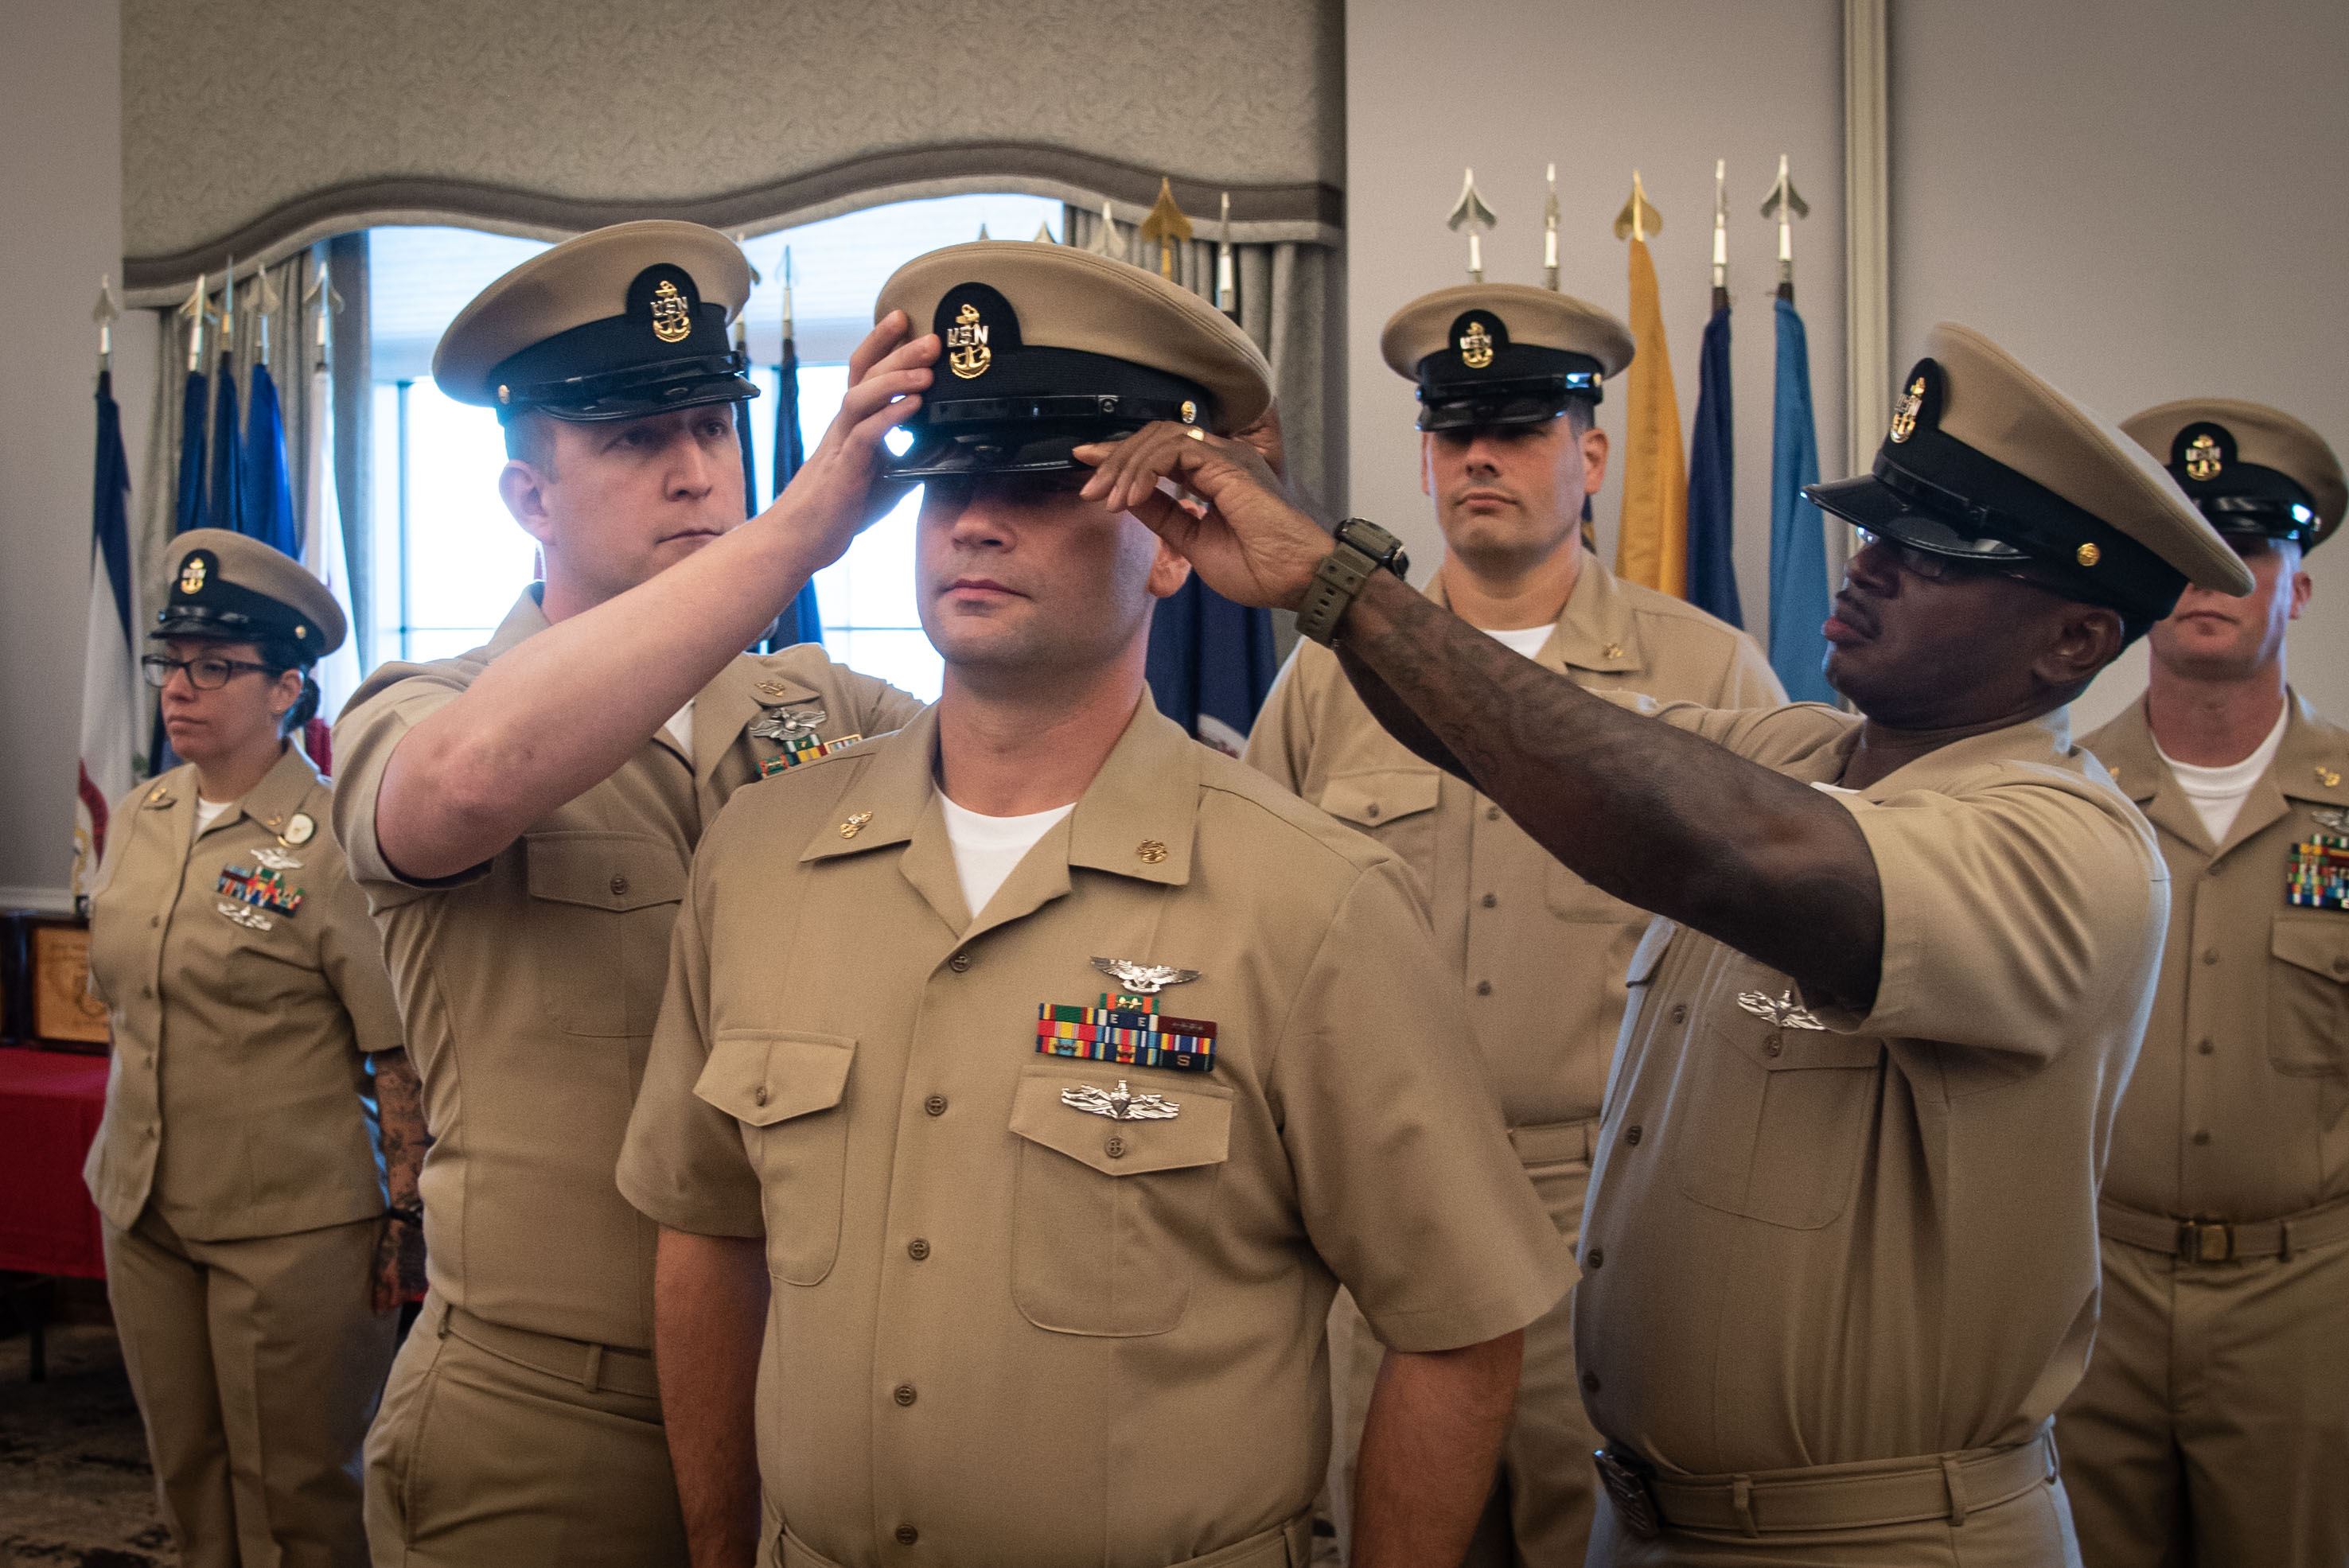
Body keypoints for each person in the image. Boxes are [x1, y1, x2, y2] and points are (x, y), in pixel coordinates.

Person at [1078, 321, 2255, 1564]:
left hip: (1879, 1538)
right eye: (1879, 531)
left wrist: (1339, 583)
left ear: (2073, 642)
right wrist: (1316, 560)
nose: (1869, 566)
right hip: (1652, 1519)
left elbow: (1716, 843)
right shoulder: (1806, 753)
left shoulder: (2068, 847)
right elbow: (1500, 724)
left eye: (1934, 555)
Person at [616, 241, 1576, 1568]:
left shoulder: (1309, 900)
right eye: (946, 474)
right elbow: (705, 1239)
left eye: (1043, 475)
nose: (975, 518)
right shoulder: (760, 859)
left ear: (1175, 543)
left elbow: (1460, 1328)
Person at [330, 220, 933, 1566]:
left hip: (818, 1390)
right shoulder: (422, 709)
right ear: (530, 499)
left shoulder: (823, 707)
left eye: (716, 430)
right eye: (636, 440)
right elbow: (472, 785)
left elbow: (1028, 762)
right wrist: (792, 538)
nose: (694, 473)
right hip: (549, 1415)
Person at [1246, 282, 1782, 1565]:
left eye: (1522, 428)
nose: (1479, 457)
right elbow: (1251, 933)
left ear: (1590, 456)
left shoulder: (1707, 676)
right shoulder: (1328, 676)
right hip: (1385, 1213)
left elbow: (1778, 962)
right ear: (1425, 459)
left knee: (1599, 1539)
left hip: (1604, 1218)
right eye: (1453, 432)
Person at [84, 529, 424, 1568]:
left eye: (214, 668)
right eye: (169, 663)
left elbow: (397, 1054)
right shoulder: (139, 819)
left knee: (294, 1493)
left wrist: (403, 1213)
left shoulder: (331, 845)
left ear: (286, 690)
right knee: (185, 1468)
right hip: (144, 1205)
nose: (179, 688)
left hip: (294, 1227)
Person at [2055, 399, 2349, 1566]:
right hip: (2093, 1290)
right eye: (2183, 549)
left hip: (2307, 1305)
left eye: (2250, 549)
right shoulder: (2059, 798)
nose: (2212, 579)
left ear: (2298, 590)